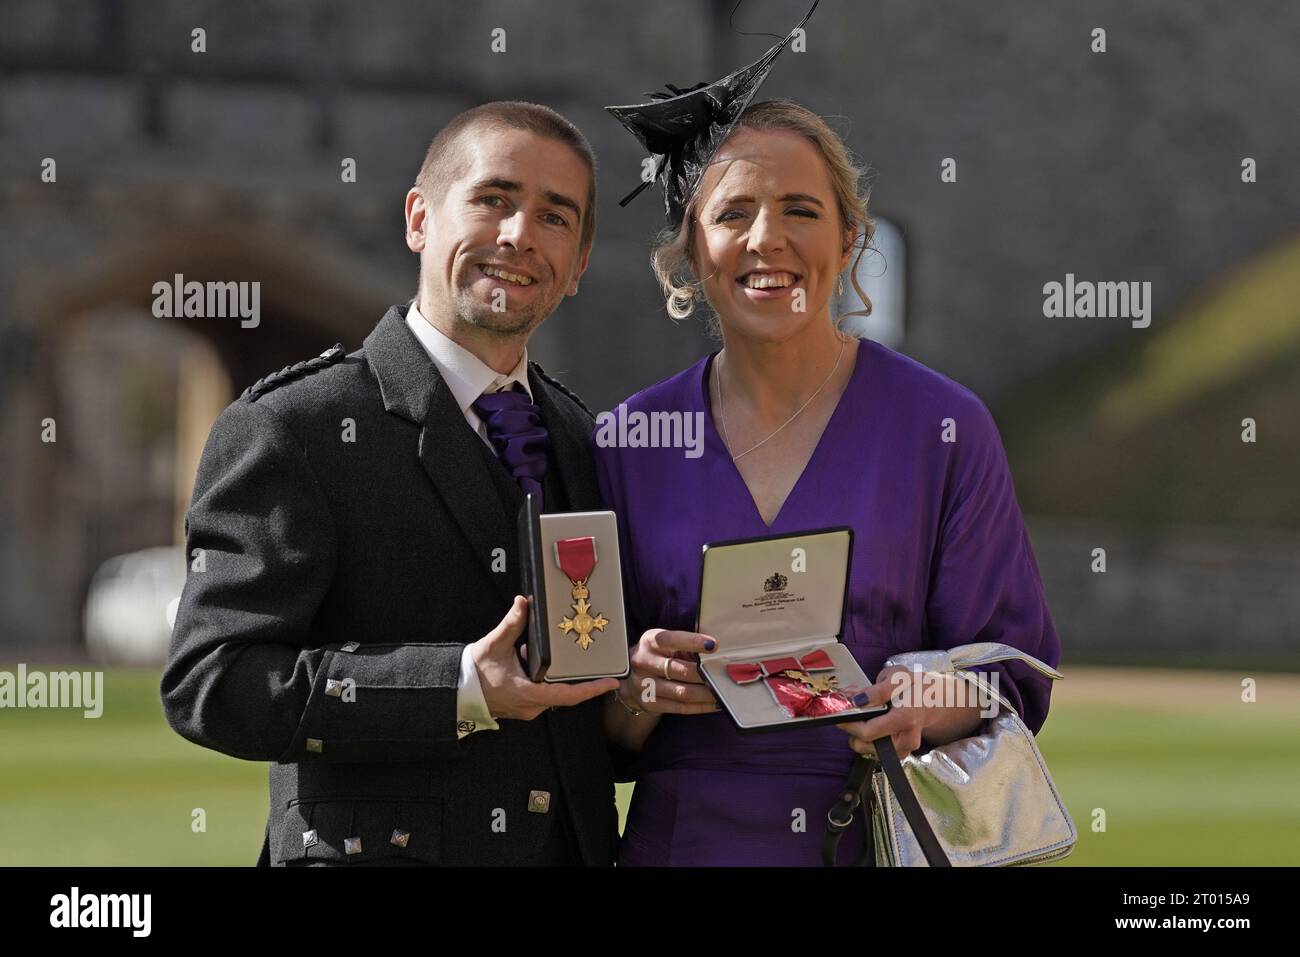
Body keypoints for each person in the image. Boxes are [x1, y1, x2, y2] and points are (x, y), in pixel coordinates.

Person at [596, 98, 1063, 866]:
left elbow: (1008, 672)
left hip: (865, 836)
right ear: (692, 248)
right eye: (733, 213)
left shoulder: (943, 427)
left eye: (800, 210)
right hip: (680, 846)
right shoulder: (625, 440)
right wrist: (632, 690)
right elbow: (587, 729)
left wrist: (927, 703)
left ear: (849, 237)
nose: (765, 239)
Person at [162, 101, 624, 866]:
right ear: (418, 217)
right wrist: (454, 685)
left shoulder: (582, 439)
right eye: (493, 199)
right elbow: (212, 684)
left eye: (555, 217)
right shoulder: (296, 426)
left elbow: (573, 711)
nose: (518, 235)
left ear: (577, 264)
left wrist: (643, 689)